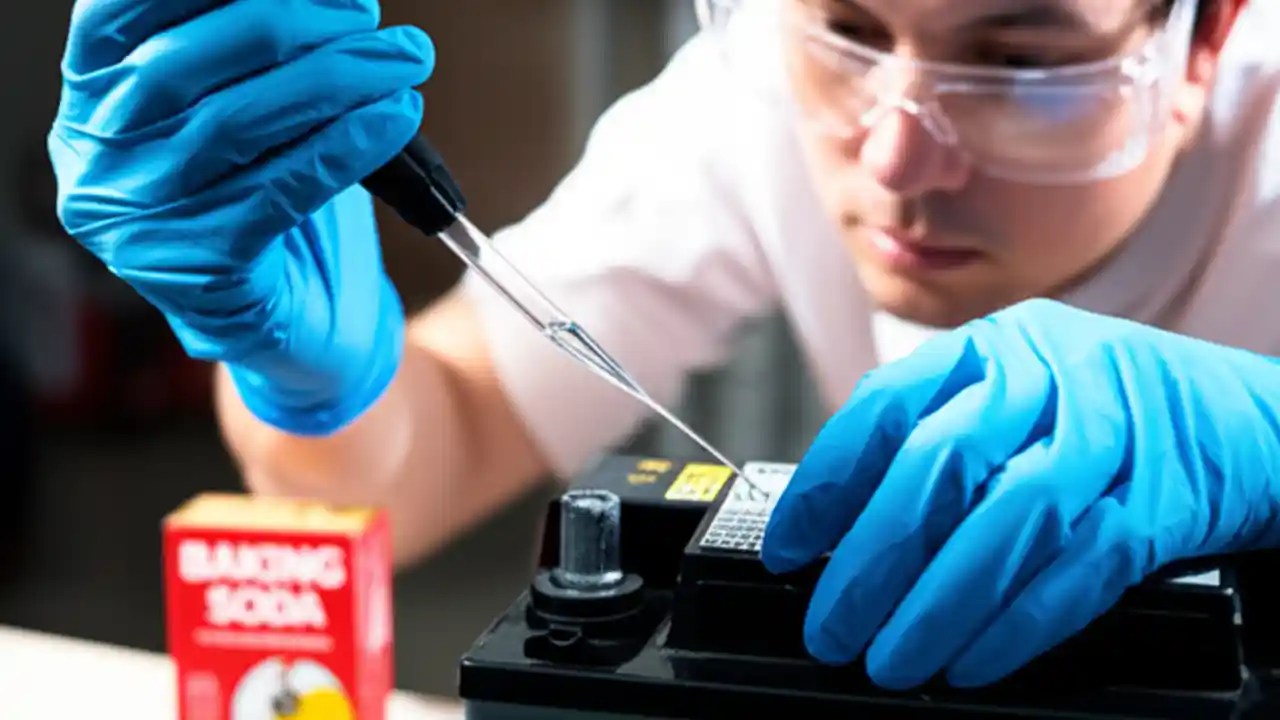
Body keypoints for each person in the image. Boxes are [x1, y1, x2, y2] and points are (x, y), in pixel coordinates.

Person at [48, 0, 1280, 691]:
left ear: (1204, 38)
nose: (896, 158)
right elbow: (408, 464)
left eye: (1015, 65)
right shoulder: (749, 103)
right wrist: (309, 378)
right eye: (848, 28)